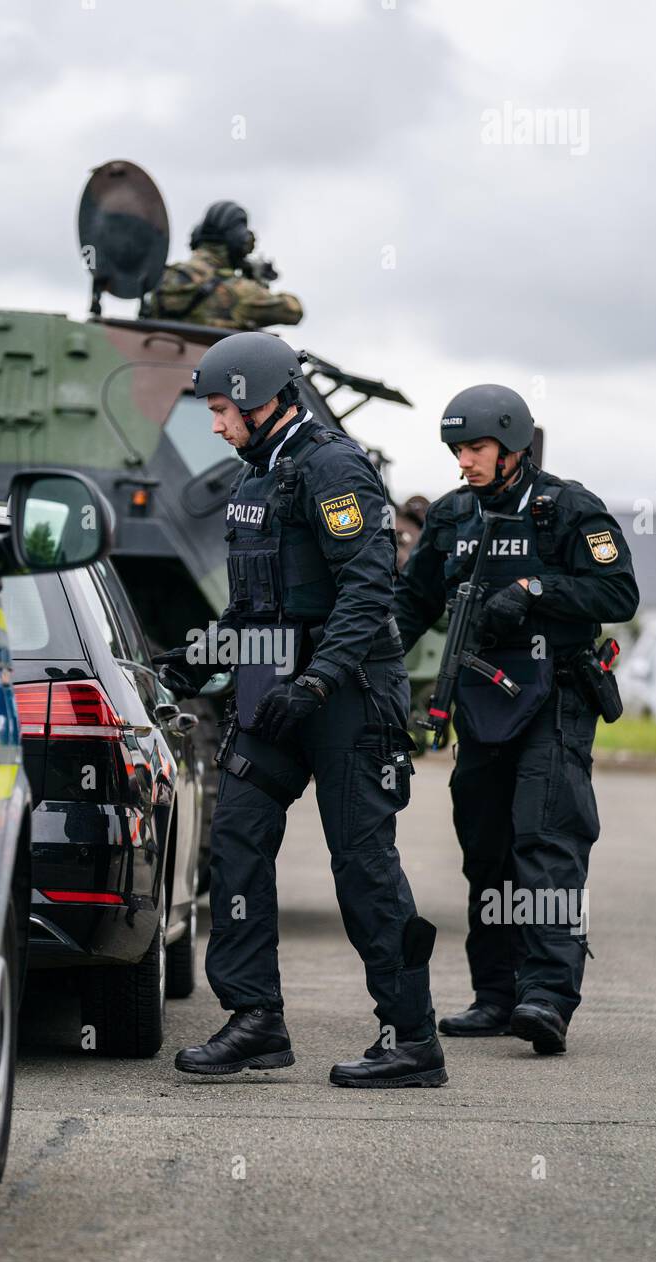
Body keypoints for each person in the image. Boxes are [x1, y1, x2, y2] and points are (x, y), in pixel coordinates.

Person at [157, 331, 447, 1088]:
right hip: (270, 690)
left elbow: (369, 587)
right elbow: (255, 606)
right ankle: (256, 1017)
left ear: (259, 398)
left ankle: (412, 1036)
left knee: (363, 865)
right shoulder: (257, 479)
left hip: (344, 694)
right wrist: (193, 656)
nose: (215, 425)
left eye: (221, 410)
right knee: (237, 836)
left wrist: (317, 682)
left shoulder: (331, 466)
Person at [393, 384, 639, 1054]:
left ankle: (547, 997)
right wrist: (361, 654)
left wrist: (533, 590)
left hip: (556, 699)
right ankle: (496, 995)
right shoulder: (450, 518)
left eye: (475, 448)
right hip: (483, 702)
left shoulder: (567, 509)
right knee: (487, 849)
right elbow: (410, 605)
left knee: (546, 843)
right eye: (456, 450)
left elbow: (618, 590)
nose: (464, 461)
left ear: (514, 447)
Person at [145, 201, 303, 329]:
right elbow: (294, 311)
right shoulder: (238, 291)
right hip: (215, 367)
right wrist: (257, 283)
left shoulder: (164, 278)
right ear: (238, 243)